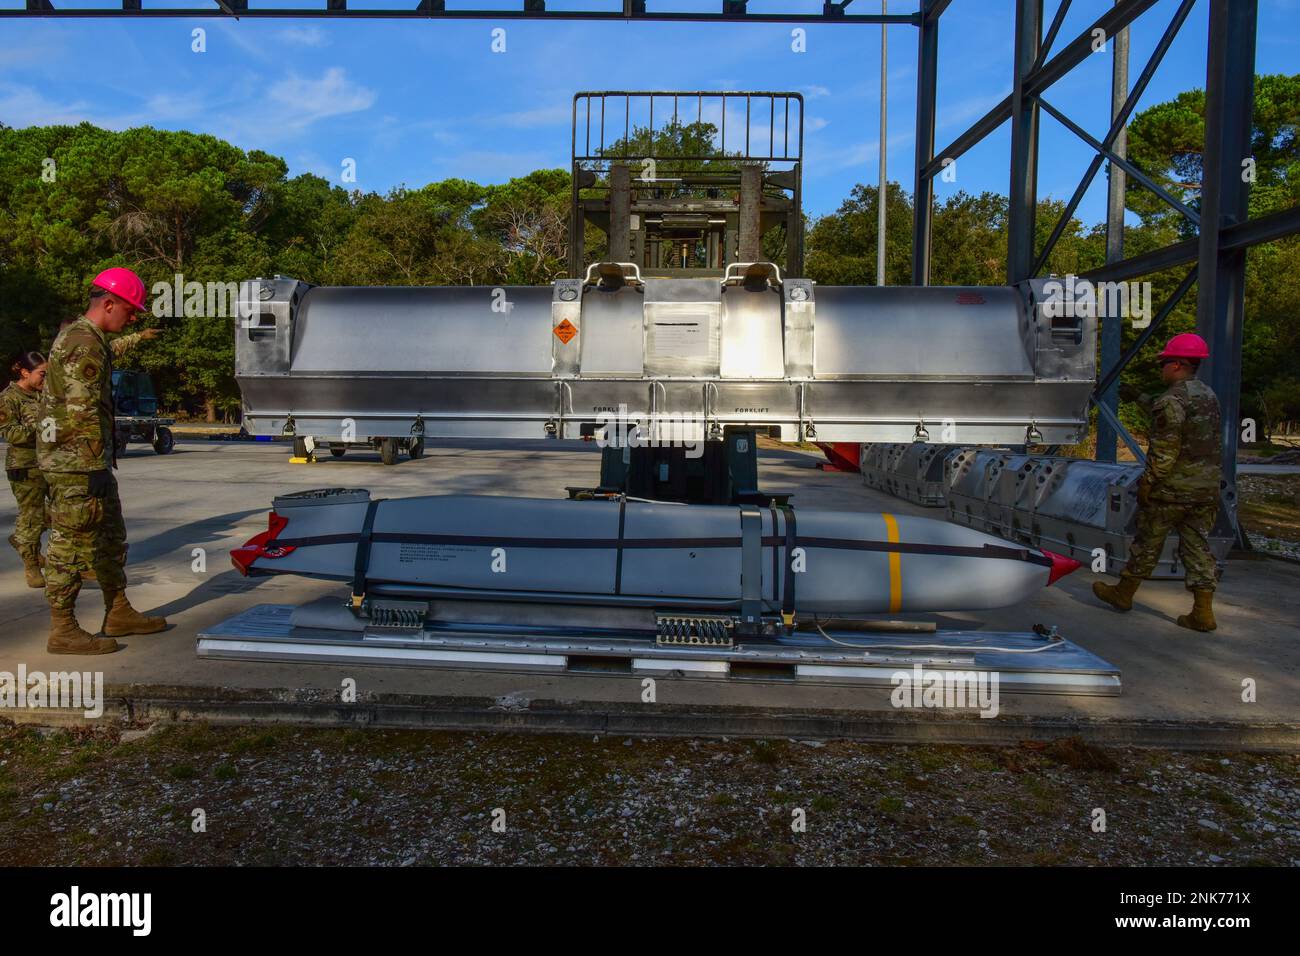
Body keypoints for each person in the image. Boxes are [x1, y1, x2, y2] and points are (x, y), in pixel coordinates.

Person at [39, 267, 167, 655]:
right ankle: (63, 628)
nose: (133, 317)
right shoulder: (83, 341)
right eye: (130, 311)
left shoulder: (88, 337)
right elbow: (81, 409)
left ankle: (118, 611)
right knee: (71, 543)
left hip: (88, 460)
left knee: (110, 537)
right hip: (77, 464)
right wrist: (93, 464)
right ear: (108, 303)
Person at [1093, 332, 1222, 631]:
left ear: (1177, 365)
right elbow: (1181, 422)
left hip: (1172, 490)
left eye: (1164, 362)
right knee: (1197, 547)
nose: (1161, 367)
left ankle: (1123, 594)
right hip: (1205, 489)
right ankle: (1203, 612)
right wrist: (1138, 397)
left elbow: (1165, 448)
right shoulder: (1208, 395)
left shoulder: (1171, 400)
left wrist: (1148, 483)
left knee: (1147, 543)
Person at [1, 352, 50, 588]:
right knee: (32, 517)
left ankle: (21, 539)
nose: (45, 378)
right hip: (24, 466)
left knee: (59, 513)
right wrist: (38, 428)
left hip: (50, 463)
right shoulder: (8, 398)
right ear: (24, 372)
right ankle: (31, 565)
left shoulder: (43, 395)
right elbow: (10, 433)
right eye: (42, 374)